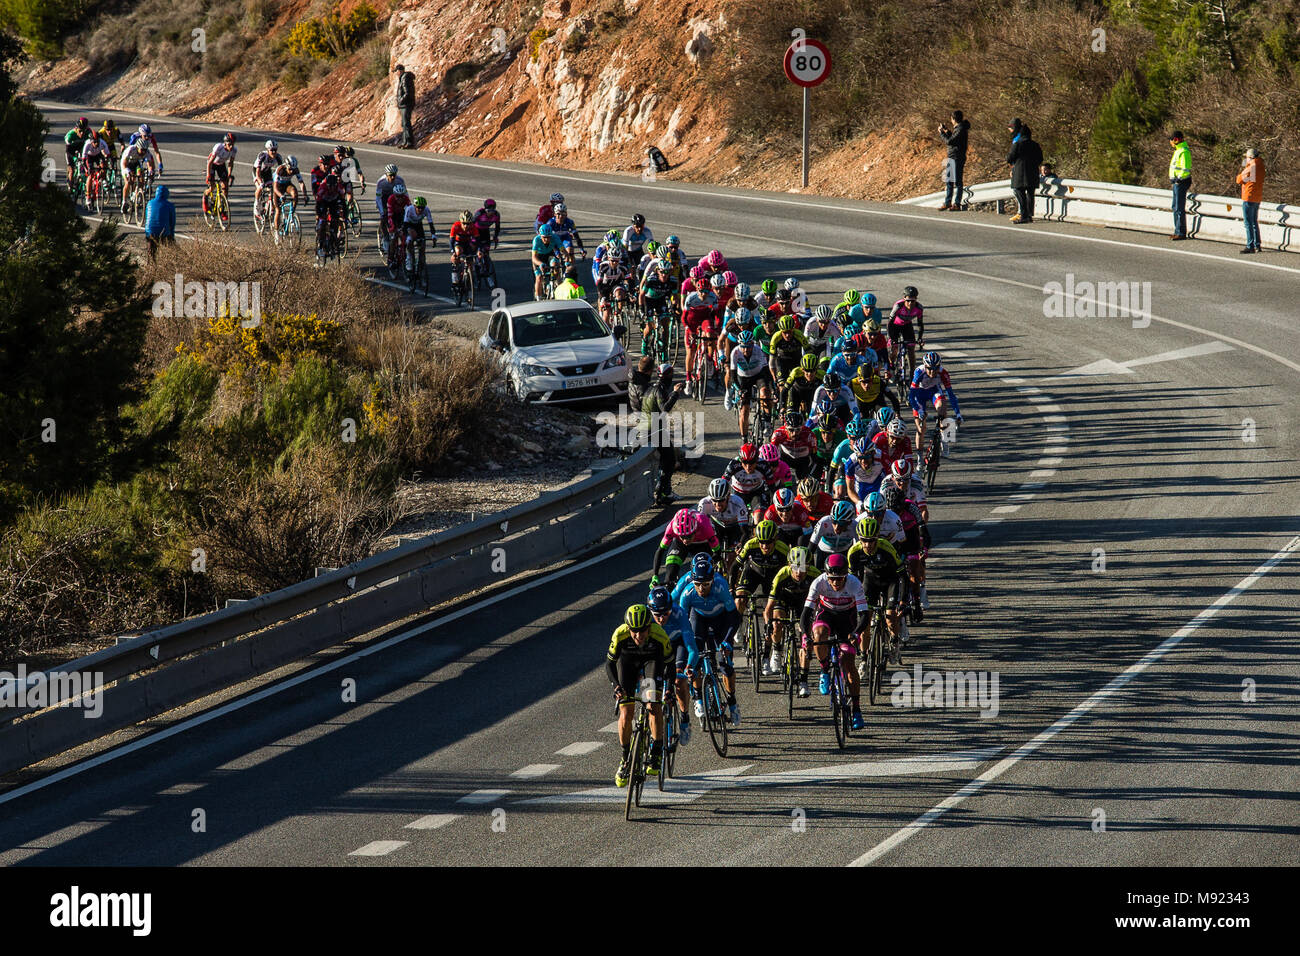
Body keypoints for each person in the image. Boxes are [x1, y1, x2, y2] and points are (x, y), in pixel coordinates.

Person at [607, 605, 673, 786]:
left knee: (652, 704)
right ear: (628, 628)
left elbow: (670, 664)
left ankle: (657, 750)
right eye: (634, 631)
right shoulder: (620, 634)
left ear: (649, 627)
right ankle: (625, 758)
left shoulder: (659, 635)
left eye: (642, 631)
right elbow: (610, 664)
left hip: (651, 662)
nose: (638, 636)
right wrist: (617, 686)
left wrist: (669, 690)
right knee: (626, 713)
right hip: (627, 663)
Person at [642, 363, 687, 504]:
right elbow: (664, 408)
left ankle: (662, 490)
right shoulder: (660, 390)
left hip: (646, 428)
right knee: (670, 460)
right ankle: (663, 493)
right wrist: (675, 393)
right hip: (655, 430)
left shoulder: (650, 388)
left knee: (664, 460)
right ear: (668, 376)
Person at [1006, 120, 1043, 224]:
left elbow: (1010, 158)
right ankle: (1029, 215)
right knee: (1030, 193)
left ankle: (1024, 215)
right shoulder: (1035, 144)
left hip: (1020, 172)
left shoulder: (1018, 144)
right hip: (1032, 172)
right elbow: (1040, 158)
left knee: (1019, 191)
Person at [937, 110, 970, 211]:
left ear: (954, 119)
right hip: (952, 157)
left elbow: (950, 141)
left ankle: (957, 203)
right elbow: (953, 139)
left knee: (958, 182)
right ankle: (948, 202)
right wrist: (947, 131)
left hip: (957, 157)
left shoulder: (961, 129)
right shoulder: (959, 129)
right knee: (949, 180)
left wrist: (942, 133)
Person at [1236, 147, 1263, 254]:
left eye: (1246, 157)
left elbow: (1239, 179)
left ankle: (1250, 245)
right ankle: (1257, 245)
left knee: (1248, 223)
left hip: (1249, 196)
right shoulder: (1261, 165)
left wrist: (1244, 168)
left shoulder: (1251, 166)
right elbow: (1251, 179)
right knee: (1254, 222)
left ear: (1251, 157)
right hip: (1257, 197)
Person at [1167, 130, 1193, 240]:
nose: (1170, 143)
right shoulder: (1178, 151)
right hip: (1176, 182)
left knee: (1179, 208)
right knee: (1175, 207)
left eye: (1171, 140)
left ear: (1176, 139)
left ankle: (1181, 233)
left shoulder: (1183, 151)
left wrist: (1178, 179)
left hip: (1180, 182)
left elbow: (1186, 169)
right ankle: (1177, 231)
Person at [142, 184, 175, 261]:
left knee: (151, 253)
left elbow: (147, 218)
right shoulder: (169, 205)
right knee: (172, 250)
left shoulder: (149, 203)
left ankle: (151, 265)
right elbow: (172, 222)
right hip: (164, 233)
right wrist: (172, 235)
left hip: (150, 232)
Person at [395, 64, 416, 148]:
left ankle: (409, 143)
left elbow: (407, 93)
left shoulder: (405, 78)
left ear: (399, 70)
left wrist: (401, 100)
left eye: (396, 71)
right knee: (404, 123)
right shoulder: (403, 78)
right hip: (405, 104)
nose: (396, 73)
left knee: (406, 123)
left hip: (406, 104)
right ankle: (405, 142)